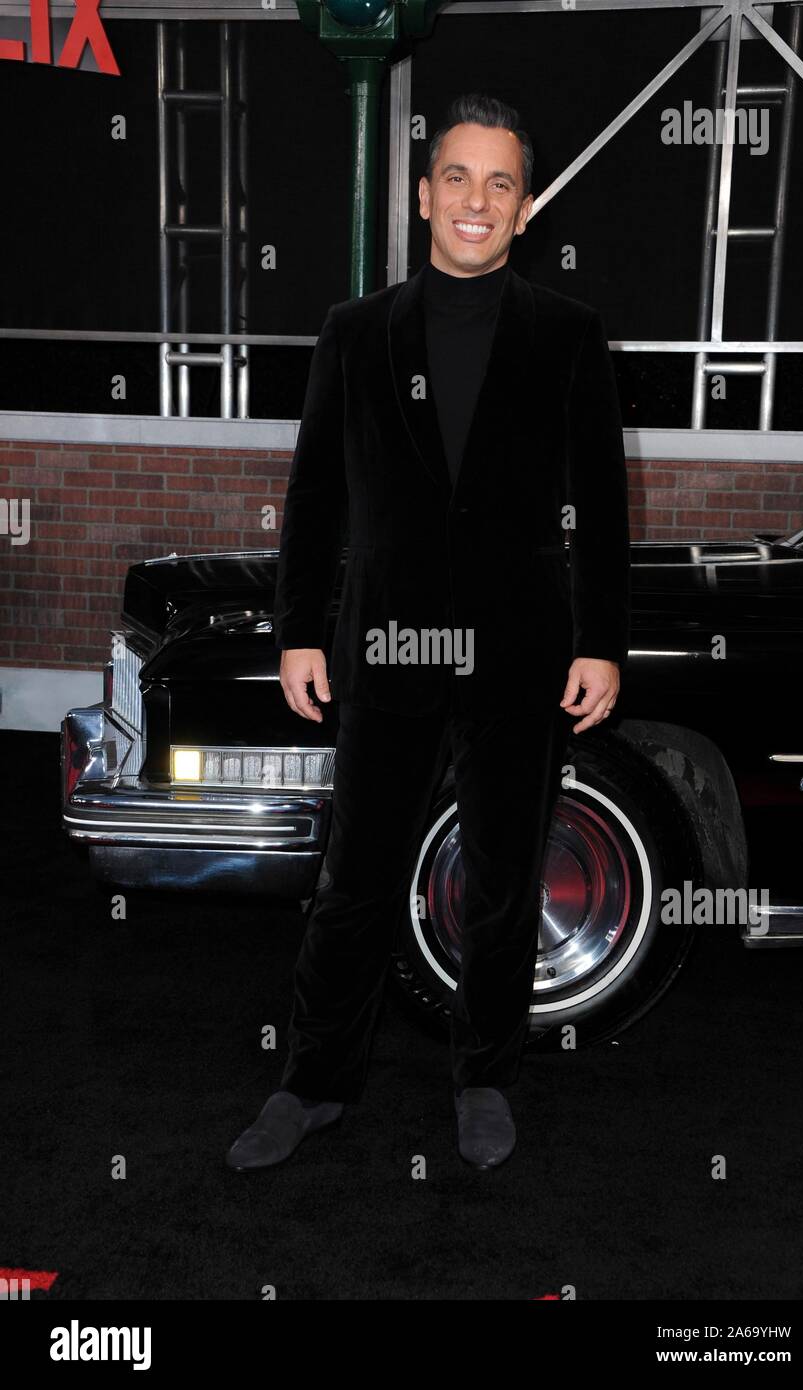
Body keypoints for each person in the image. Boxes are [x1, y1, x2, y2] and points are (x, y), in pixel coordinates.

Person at [227, 92, 630, 1174]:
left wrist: (601, 640)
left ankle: (485, 1076)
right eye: (457, 176)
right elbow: (313, 494)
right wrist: (298, 629)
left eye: (500, 182)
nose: (476, 200)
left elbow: (600, 496)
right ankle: (312, 1084)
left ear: (525, 206)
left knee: (500, 877)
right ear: (422, 192)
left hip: (518, 650)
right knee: (353, 878)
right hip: (384, 647)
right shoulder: (353, 333)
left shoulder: (568, 334)